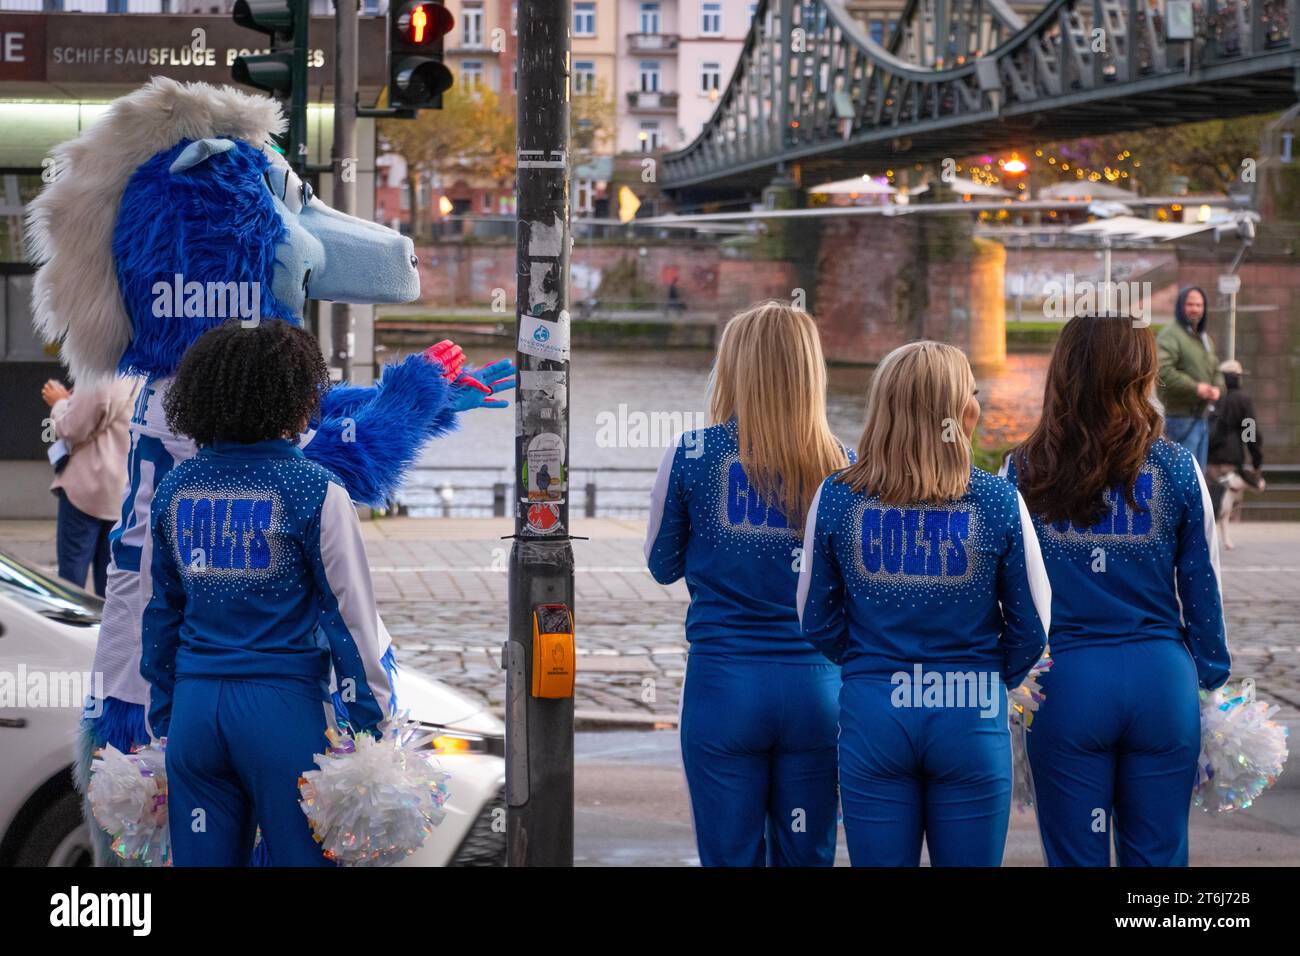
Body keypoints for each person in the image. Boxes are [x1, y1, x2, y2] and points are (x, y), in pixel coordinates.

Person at [140, 321, 391, 867]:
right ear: (294, 396)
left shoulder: (174, 490)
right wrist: (375, 735)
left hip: (195, 716)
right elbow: (352, 624)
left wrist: (165, 722)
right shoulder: (316, 490)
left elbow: (158, 616)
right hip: (282, 714)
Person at [799, 341, 1050, 867]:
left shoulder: (838, 495)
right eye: (972, 396)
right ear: (958, 414)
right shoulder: (996, 498)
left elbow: (814, 617)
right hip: (969, 711)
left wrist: (870, 664)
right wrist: (986, 674)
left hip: (876, 711)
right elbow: (1034, 624)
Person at [1004, 314, 1231, 867]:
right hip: (1161, 681)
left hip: (1066, 684)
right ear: (1141, 377)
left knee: (1074, 855)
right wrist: (1208, 683)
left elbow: (1008, 599)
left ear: (1064, 373)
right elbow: (1205, 592)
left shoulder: (1023, 470)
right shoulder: (1178, 466)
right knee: (1158, 865)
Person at [645, 301, 852, 866]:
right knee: (807, 853)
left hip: (724, 685)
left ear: (733, 368)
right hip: (818, 691)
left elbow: (661, 563)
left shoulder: (691, 455)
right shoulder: (846, 467)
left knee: (729, 853)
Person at [42, 376, 138, 595]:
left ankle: (69, 628)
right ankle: (102, 628)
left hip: (84, 490)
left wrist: (58, 402)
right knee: (109, 582)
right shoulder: (138, 375)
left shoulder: (98, 374)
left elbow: (71, 427)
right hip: (118, 491)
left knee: (71, 581)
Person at [1157, 286, 1225, 468]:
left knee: (1197, 478)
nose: (1195, 309)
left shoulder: (1205, 339)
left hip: (1201, 418)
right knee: (1182, 477)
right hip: (1179, 420)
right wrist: (1196, 388)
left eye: (1199, 305)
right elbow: (1162, 371)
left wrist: (1217, 388)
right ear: (1180, 306)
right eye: (1190, 304)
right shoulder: (1169, 336)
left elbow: (1216, 369)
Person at [1208, 359, 1265, 487]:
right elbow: (1250, 434)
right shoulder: (1242, 400)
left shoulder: (1212, 397)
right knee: (1231, 504)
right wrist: (1257, 462)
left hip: (1208, 463)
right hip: (1231, 464)